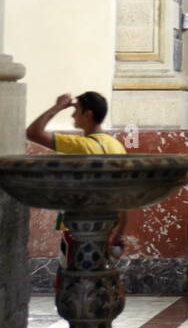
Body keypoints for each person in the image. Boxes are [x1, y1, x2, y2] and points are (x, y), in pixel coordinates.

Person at [26, 92, 128, 262]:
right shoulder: (116, 146)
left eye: (76, 110)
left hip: (80, 226)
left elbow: (33, 132)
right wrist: (120, 231)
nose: (72, 115)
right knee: (101, 275)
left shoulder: (80, 145)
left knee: (74, 277)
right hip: (109, 224)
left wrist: (58, 106)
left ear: (88, 115)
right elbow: (125, 194)